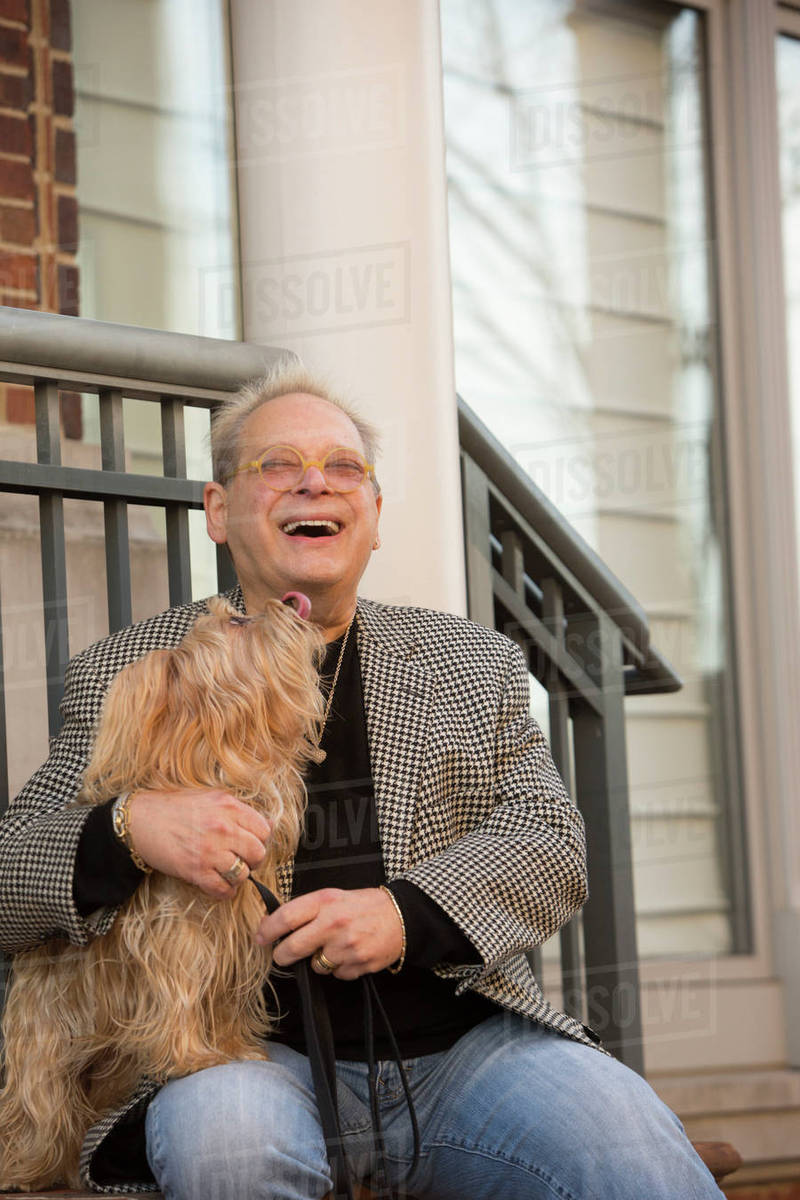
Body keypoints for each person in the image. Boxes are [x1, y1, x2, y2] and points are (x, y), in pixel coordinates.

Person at [0, 364, 722, 1199]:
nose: (316, 481)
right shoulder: (130, 672)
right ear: (218, 510)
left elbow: (552, 843)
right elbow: (12, 870)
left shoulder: (469, 661)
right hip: (241, 1054)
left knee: (627, 1142)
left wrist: (403, 914)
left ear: (373, 516)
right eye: (278, 464)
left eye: (344, 468)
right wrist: (127, 827)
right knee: (228, 1151)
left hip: (470, 1050)